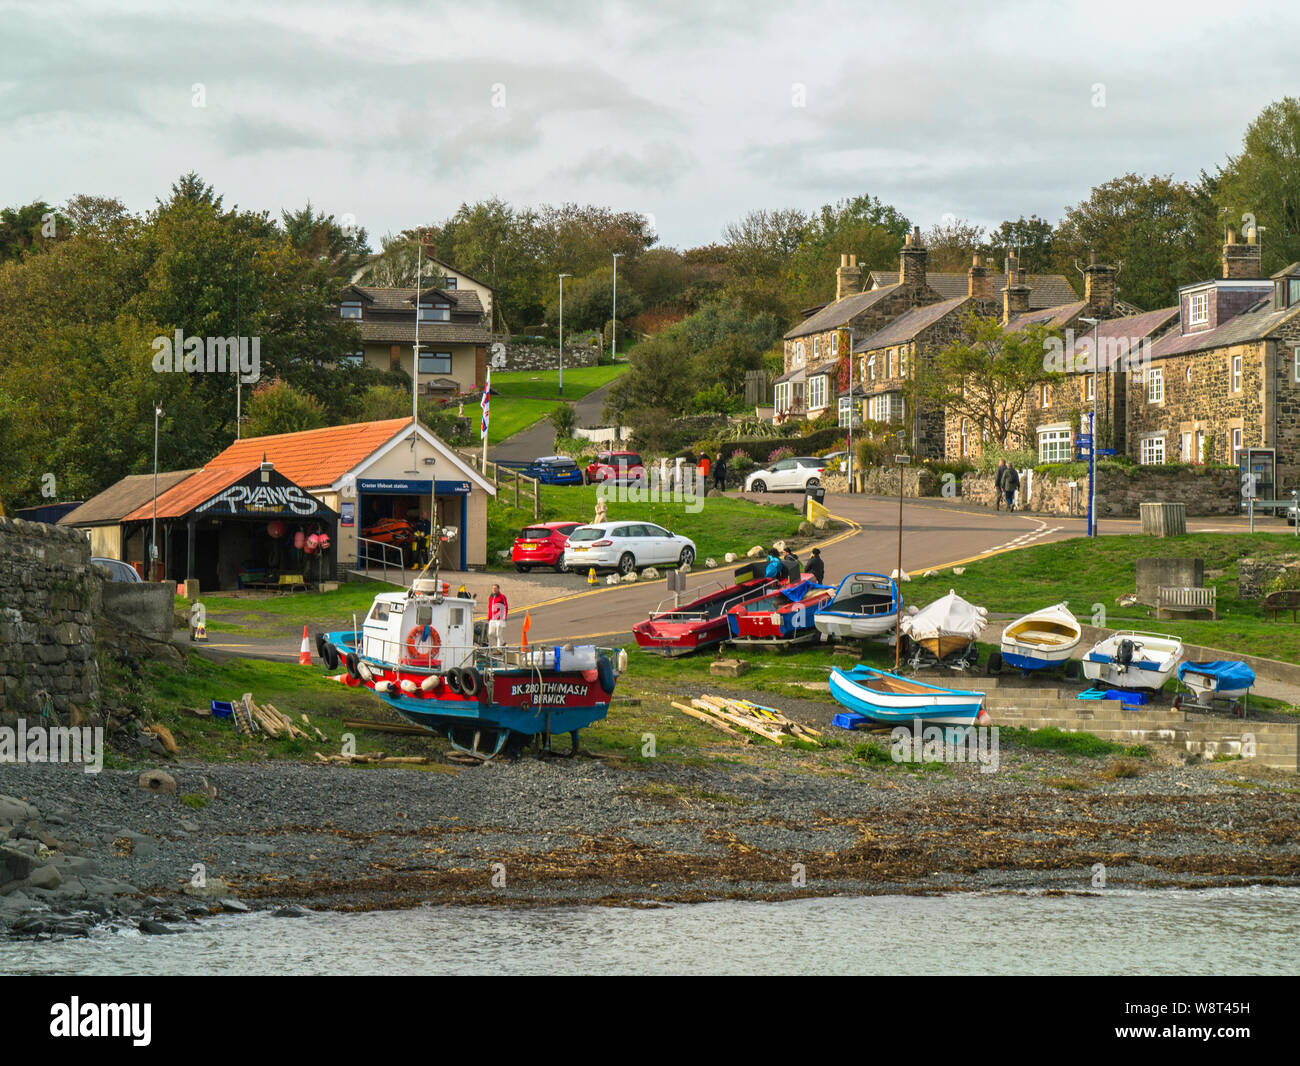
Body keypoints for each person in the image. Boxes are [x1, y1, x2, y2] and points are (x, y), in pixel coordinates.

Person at [486, 583, 508, 648]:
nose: (494, 589)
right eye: (493, 588)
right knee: (490, 633)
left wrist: (504, 616)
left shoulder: (502, 597)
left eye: (495, 588)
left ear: (498, 589)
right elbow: (489, 607)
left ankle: (498, 648)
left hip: (499, 618)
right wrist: (489, 616)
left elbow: (505, 607)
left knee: (498, 633)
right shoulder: (490, 597)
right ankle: (503, 642)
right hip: (492, 618)